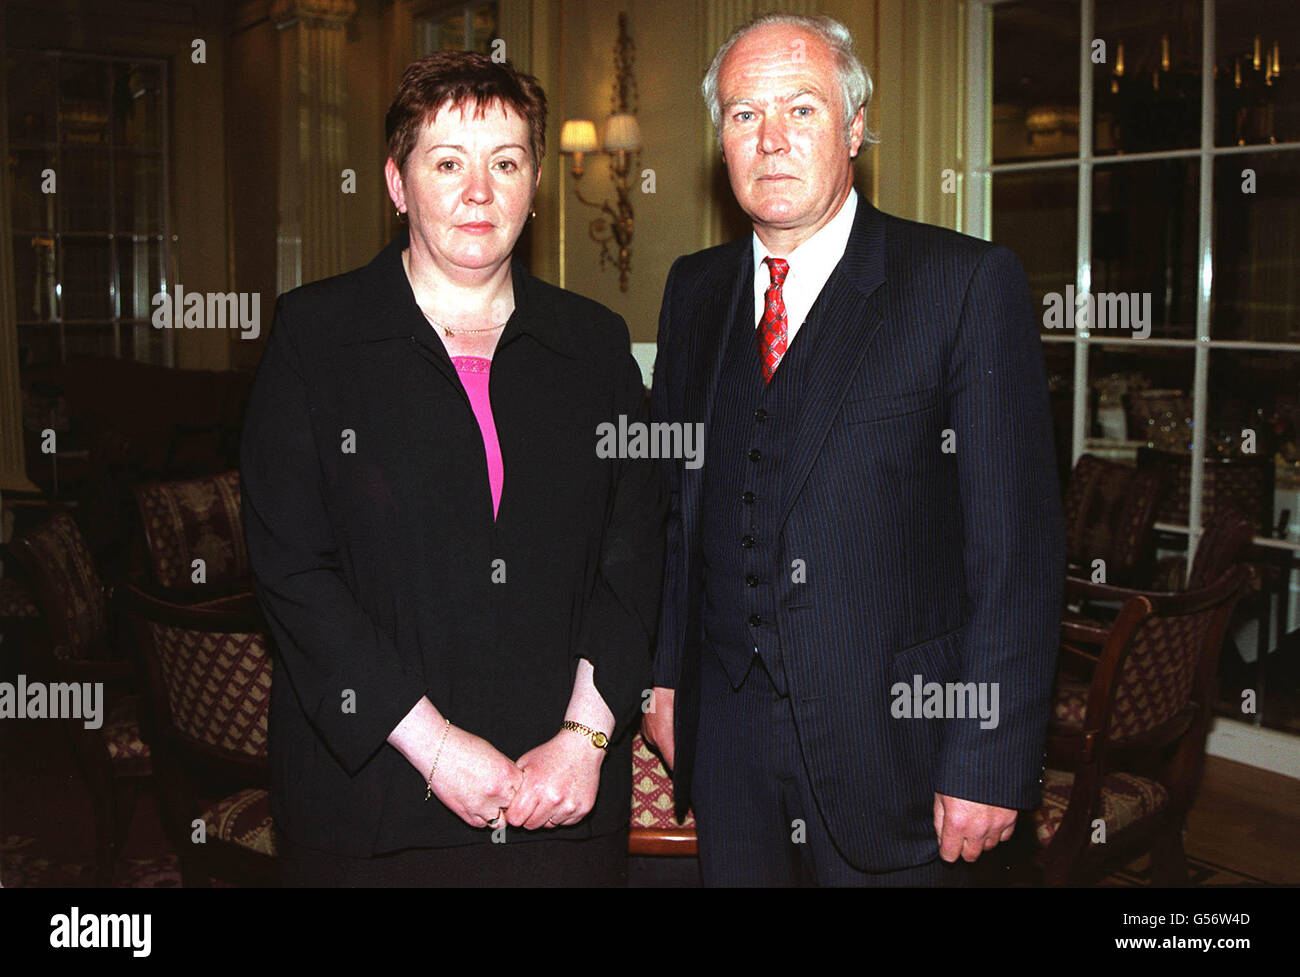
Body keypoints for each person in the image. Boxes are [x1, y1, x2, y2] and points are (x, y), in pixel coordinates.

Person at [642, 13, 1065, 887]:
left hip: (895, 742)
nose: (771, 140)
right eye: (743, 115)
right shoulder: (693, 291)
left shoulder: (963, 285)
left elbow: (1014, 551)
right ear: (720, 139)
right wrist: (663, 679)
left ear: (856, 127)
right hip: (725, 736)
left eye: (801, 109)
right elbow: (675, 513)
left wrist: (986, 757)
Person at [240, 51, 664, 887]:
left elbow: (639, 545)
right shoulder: (314, 339)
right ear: (397, 184)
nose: (480, 191)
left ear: (535, 183)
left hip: (560, 805)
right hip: (372, 803)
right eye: (447, 163)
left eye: (506, 163)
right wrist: (435, 748)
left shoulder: (595, 344)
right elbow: (293, 570)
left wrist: (584, 740)